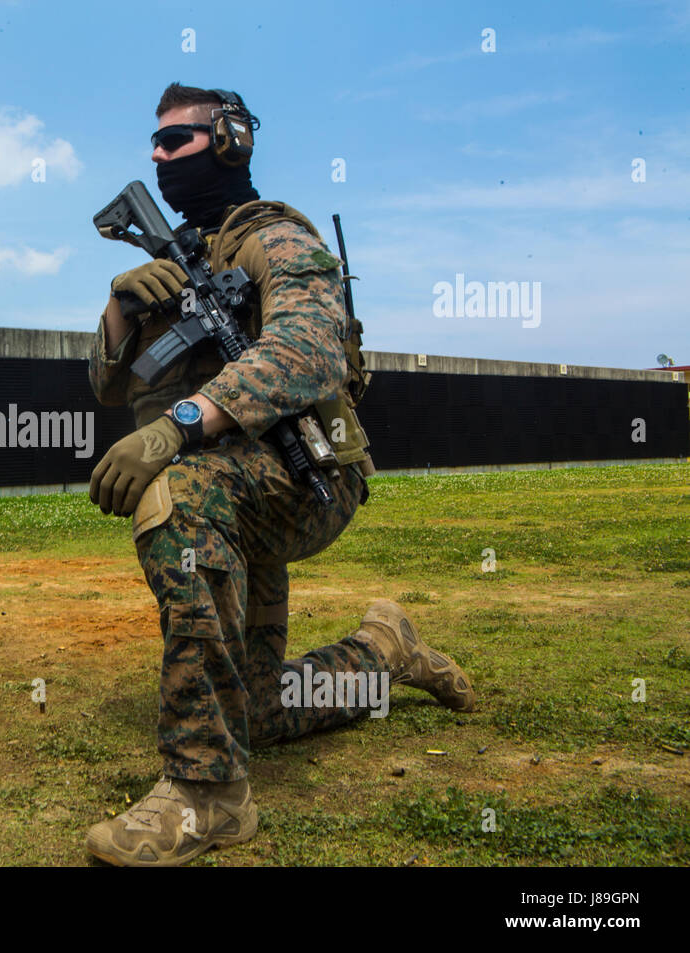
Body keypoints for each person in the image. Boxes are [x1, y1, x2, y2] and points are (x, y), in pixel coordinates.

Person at [84, 83, 476, 867]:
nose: (160, 158)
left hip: (307, 475)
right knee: (256, 709)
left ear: (229, 141)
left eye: (179, 142)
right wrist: (123, 307)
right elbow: (105, 386)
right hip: (240, 484)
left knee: (178, 499)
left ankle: (207, 793)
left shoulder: (277, 239)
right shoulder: (167, 264)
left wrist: (175, 430)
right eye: (153, 146)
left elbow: (307, 353)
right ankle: (384, 651)